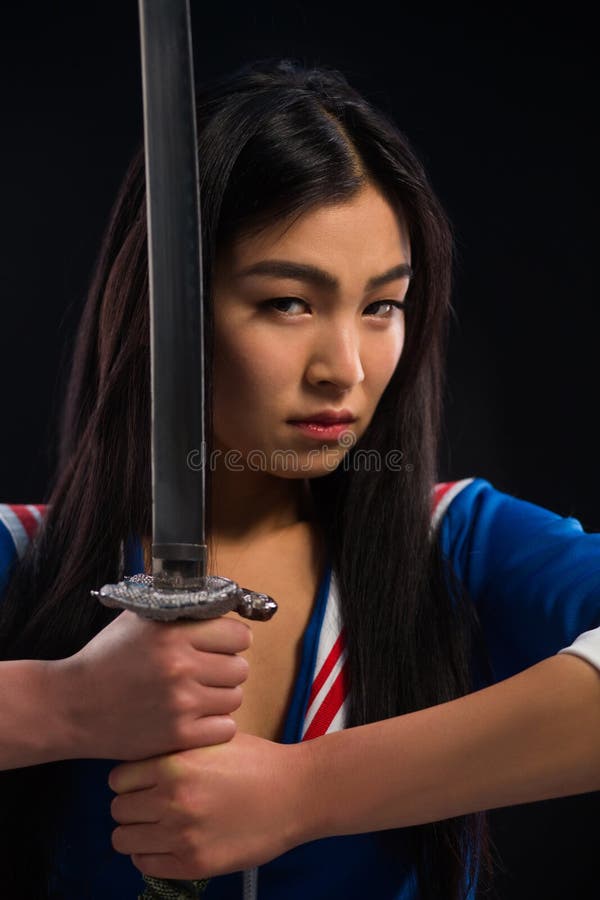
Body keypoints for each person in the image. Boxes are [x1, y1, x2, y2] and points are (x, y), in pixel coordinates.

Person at [0, 58, 599, 900]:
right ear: (164, 309)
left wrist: (306, 791)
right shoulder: (22, 559)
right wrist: (60, 705)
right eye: (289, 302)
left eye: (381, 305)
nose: (344, 368)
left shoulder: (461, 544)